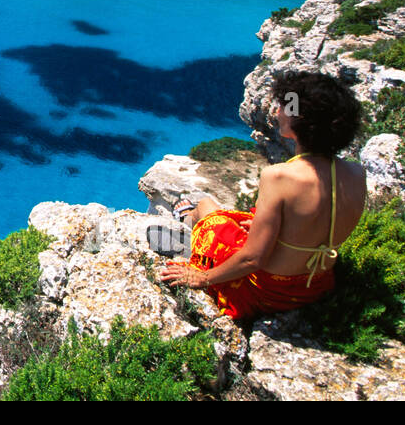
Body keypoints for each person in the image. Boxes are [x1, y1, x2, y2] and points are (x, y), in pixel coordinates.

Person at [157, 71, 366, 320]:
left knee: (207, 208)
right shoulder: (356, 173)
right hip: (317, 286)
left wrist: (203, 278)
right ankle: (188, 217)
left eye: (285, 107)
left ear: (302, 121)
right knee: (233, 215)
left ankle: (186, 220)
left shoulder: (279, 177)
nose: (276, 112)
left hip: (268, 292)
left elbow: (253, 260)